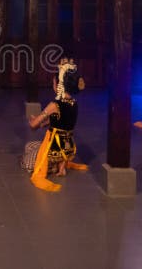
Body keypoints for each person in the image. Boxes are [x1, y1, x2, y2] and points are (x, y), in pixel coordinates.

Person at [21, 57, 88, 192]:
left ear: (59, 85)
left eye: (54, 82)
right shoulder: (73, 103)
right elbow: (59, 122)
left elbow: (33, 125)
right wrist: (43, 122)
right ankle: (61, 165)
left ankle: (53, 166)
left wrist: (34, 120)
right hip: (67, 150)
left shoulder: (54, 105)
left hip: (54, 151)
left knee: (26, 162)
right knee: (30, 146)